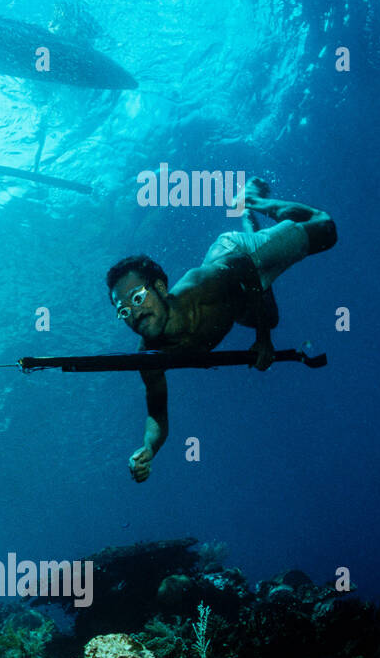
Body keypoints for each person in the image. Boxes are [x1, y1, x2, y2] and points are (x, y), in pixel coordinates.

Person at [106, 177, 336, 482]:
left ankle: (250, 200)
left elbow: (244, 264)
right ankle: (247, 218)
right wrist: (148, 448)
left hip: (238, 256)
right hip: (239, 303)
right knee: (271, 314)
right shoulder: (150, 356)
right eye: (123, 310)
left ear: (161, 287)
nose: (133, 313)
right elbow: (157, 414)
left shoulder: (201, 286)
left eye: (137, 298)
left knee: (326, 228)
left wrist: (263, 339)